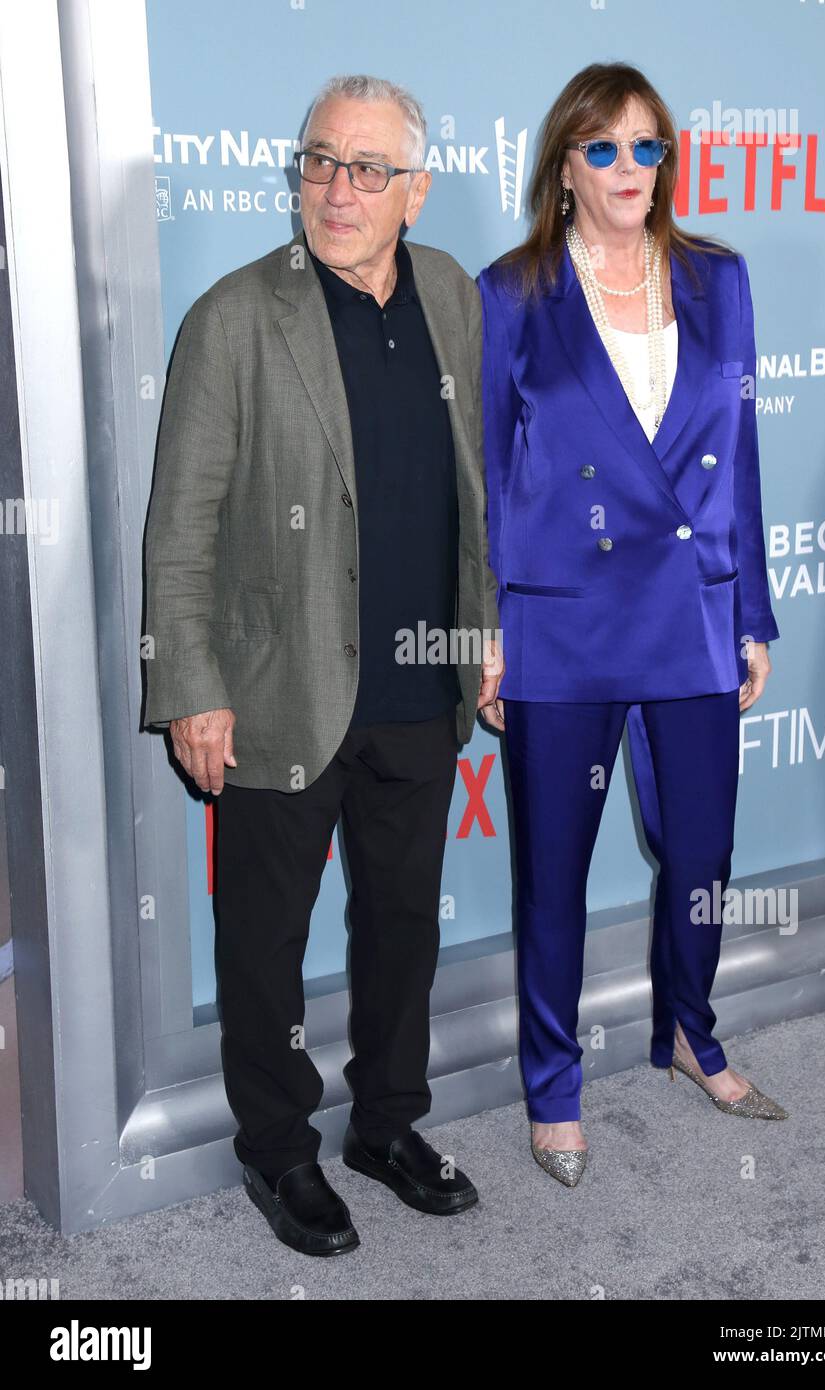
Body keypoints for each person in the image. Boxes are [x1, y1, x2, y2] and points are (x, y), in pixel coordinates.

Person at [143, 74, 503, 1254]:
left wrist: (486, 628)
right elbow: (180, 523)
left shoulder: (452, 292)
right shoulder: (235, 315)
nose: (336, 190)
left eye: (364, 169)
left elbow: (478, 487)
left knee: (401, 924)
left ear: (416, 189)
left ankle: (386, 1124)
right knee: (266, 942)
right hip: (277, 692)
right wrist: (191, 683)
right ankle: (278, 1151)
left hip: (418, 686)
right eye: (318, 161)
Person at [477, 62, 786, 1189]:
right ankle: (552, 1085)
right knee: (552, 870)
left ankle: (688, 1033)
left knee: (701, 852)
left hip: (694, 614)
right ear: (562, 166)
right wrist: (485, 632)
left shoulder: (719, 281)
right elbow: (485, 477)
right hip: (561, 626)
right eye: (601, 148)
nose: (627, 169)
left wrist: (749, 605)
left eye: (646, 147)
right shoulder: (511, 293)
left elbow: (739, 456)